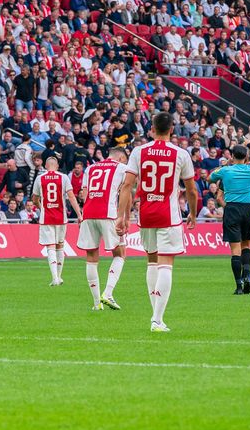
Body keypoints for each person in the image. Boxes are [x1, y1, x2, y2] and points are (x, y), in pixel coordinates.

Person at [116, 111, 198, 332]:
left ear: (152, 129)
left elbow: (127, 185)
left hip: (146, 214)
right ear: (172, 129)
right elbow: (191, 190)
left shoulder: (139, 151)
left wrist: (122, 216)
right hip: (168, 215)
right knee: (166, 264)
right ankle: (157, 320)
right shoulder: (180, 154)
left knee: (152, 261)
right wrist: (192, 213)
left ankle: (156, 315)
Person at [76, 147, 131, 311]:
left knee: (91, 256)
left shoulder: (90, 168)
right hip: (108, 214)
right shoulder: (122, 168)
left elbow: (84, 193)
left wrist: (84, 213)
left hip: (89, 213)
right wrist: (125, 218)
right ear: (121, 158)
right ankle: (107, 293)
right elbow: (126, 191)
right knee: (120, 253)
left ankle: (96, 303)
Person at [209, 144, 250, 295]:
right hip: (248, 209)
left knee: (235, 250)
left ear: (232, 156)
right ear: (246, 157)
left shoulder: (226, 170)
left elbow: (210, 178)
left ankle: (239, 285)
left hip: (232, 209)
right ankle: (247, 273)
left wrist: (226, 164)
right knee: (246, 245)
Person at [31, 155, 81, 286]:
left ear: (45, 166)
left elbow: (34, 199)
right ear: (57, 166)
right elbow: (71, 197)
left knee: (50, 246)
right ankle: (59, 276)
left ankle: (54, 278)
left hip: (47, 217)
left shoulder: (40, 178)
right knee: (60, 246)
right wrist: (79, 214)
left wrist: (41, 207)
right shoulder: (64, 177)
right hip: (61, 217)